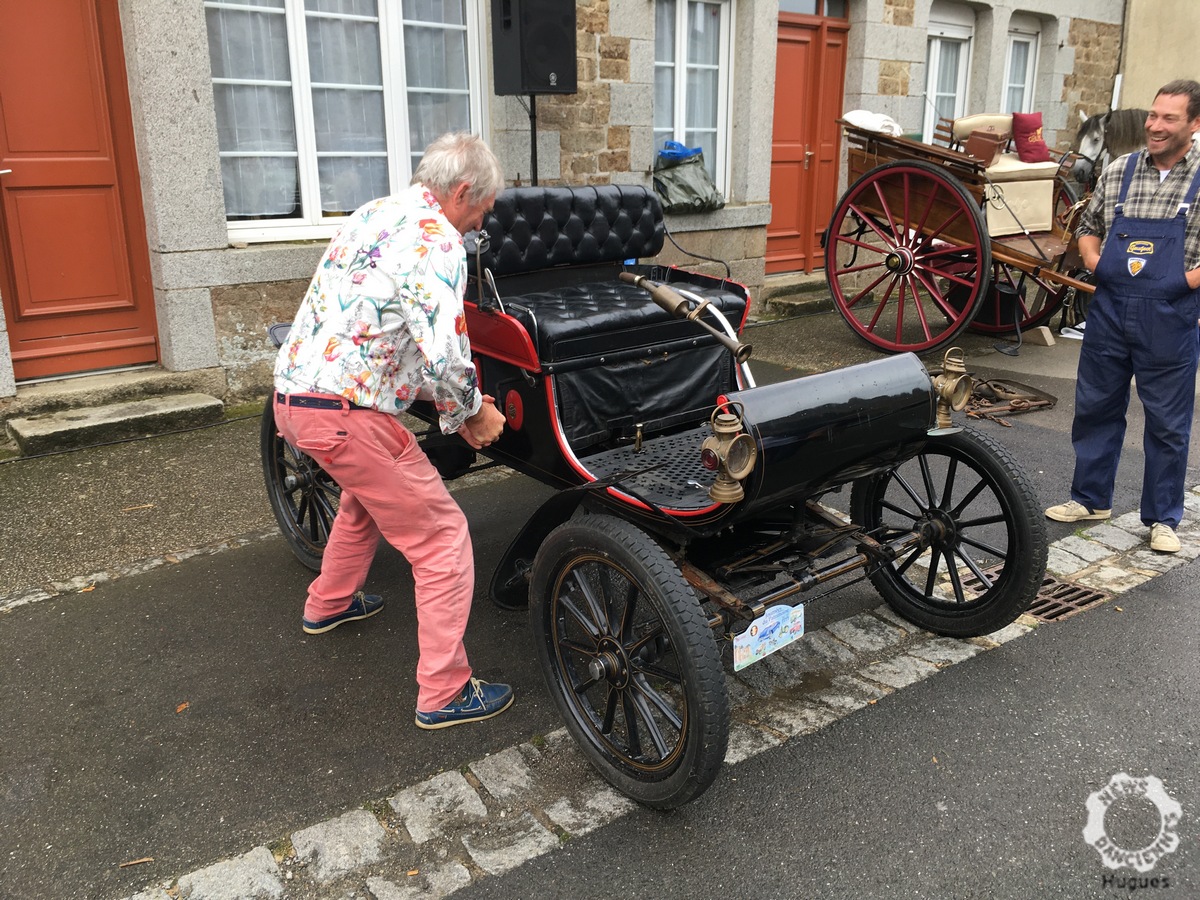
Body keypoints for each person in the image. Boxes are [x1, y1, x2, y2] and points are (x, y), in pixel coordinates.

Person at [273, 132, 512, 728]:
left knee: (368, 496)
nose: (480, 224)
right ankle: (445, 692)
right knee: (441, 538)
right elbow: (447, 352)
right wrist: (472, 413)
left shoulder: (376, 212)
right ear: (462, 192)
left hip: (294, 399)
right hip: (346, 413)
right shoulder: (437, 242)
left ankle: (328, 603)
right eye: (481, 210)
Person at [1046, 80, 1200, 554]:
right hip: (1110, 311)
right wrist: (1096, 262)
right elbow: (1088, 228)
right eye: (1154, 115)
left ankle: (1162, 519)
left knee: (1168, 424)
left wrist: (1181, 282)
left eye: (1169, 118)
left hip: (1171, 316)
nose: (1154, 125)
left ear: (1194, 125)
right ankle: (1091, 499)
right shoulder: (1120, 170)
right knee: (1095, 408)